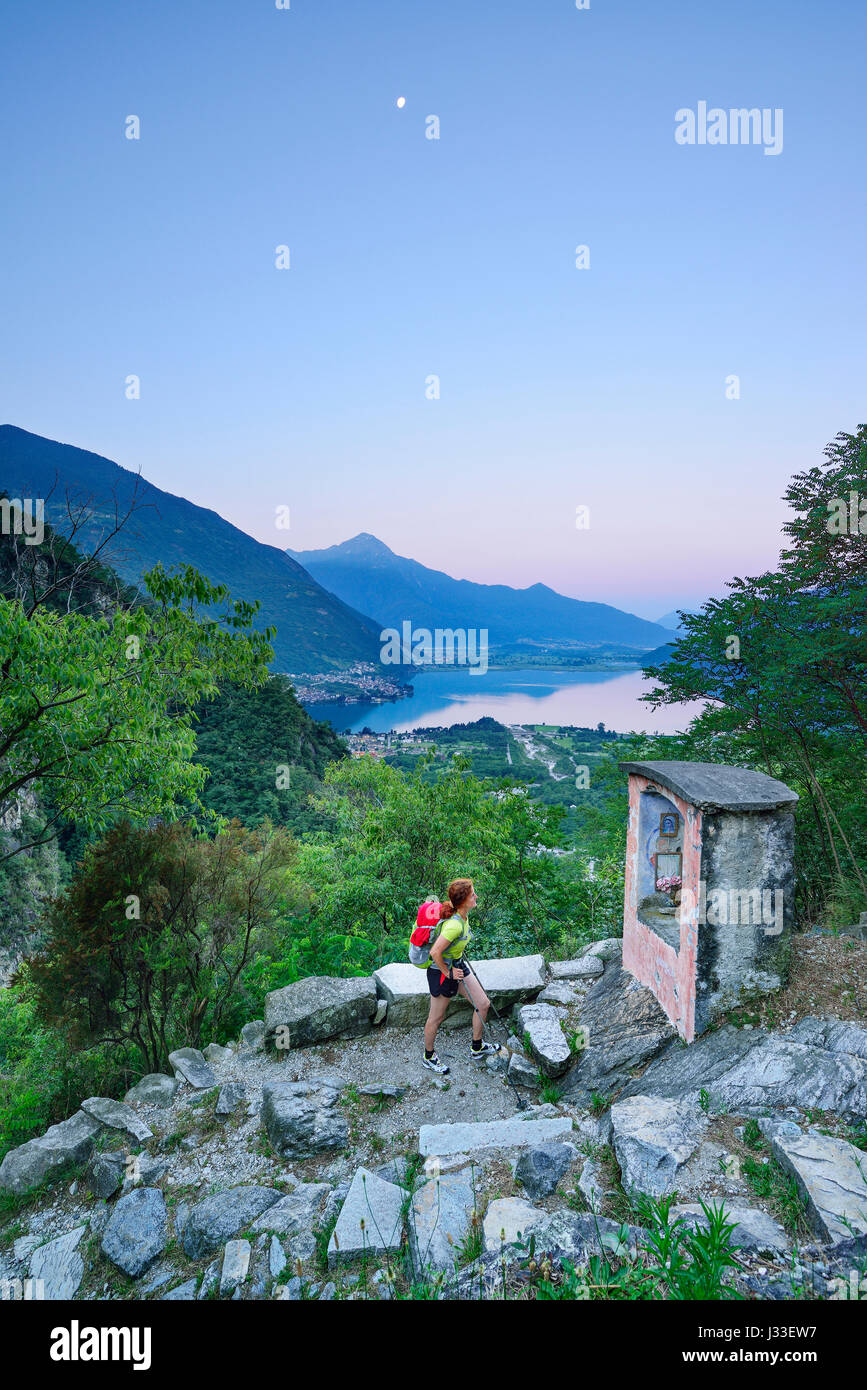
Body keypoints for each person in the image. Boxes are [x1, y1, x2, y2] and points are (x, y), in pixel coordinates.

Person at [421, 877, 498, 1074]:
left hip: (457, 965)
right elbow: (435, 952)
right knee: (436, 1018)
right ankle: (428, 1056)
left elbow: (453, 944)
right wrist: (448, 973)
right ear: (463, 901)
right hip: (442, 972)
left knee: (483, 1004)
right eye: (473, 895)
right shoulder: (454, 925)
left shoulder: (462, 915)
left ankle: (477, 1046)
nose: (476, 896)